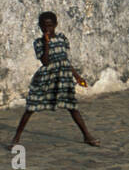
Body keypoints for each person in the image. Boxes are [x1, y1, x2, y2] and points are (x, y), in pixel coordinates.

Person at [12, 11, 99, 146]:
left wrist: (77, 77)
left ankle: (87, 135)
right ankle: (16, 138)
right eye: (44, 26)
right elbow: (45, 61)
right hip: (46, 78)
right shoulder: (39, 43)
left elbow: (64, 60)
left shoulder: (62, 39)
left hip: (63, 77)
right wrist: (46, 43)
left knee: (72, 106)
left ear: (56, 25)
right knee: (31, 107)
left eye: (50, 26)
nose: (47, 29)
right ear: (40, 26)